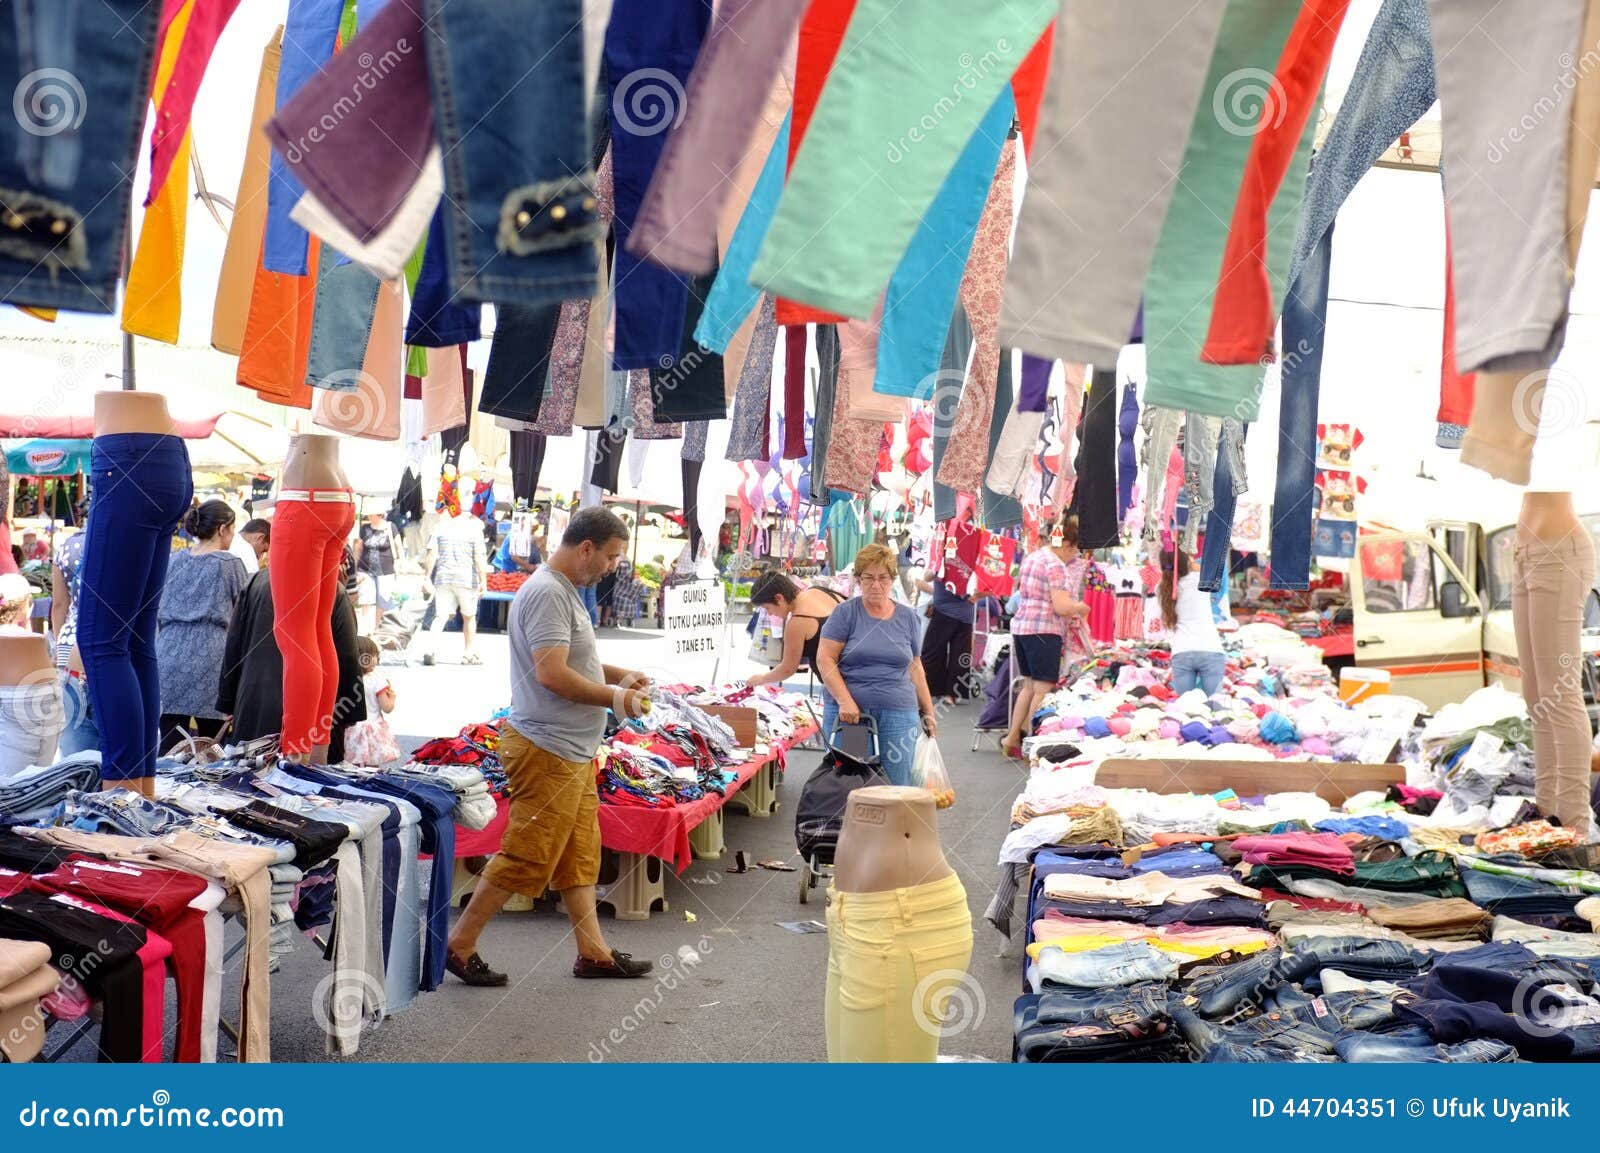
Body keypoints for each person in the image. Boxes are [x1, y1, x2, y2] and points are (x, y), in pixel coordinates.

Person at [446, 507, 655, 987]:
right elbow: (552, 674)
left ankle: (594, 952)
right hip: (548, 748)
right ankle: (459, 944)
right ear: (586, 548)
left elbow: (573, 661)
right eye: (611, 556)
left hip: (569, 750)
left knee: (579, 853)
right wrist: (619, 698)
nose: (612, 567)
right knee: (528, 851)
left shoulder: (562, 590)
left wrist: (619, 676)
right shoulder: (547, 593)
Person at [218, 559, 366, 763]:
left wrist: (228, 699)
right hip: (313, 708)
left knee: (250, 779)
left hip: (254, 700)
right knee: (307, 785)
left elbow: (233, 643)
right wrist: (351, 709)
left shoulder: (256, 582)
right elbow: (347, 654)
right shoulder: (331, 587)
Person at [814, 543, 937, 787]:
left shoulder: (907, 617)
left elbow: (915, 667)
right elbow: (824, 659)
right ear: (858, 580)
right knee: (852, 783)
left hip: (898, 711)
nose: (876, 585)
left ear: (892, 579)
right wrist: (845, 701)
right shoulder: (844, 613)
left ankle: (896, 827)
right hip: (852, 716)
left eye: (882, 578)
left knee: (897, 784)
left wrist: (929, 712)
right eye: (868, 577)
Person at [157, 500, 247, 750]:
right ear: (222, 529)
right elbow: (243, 615)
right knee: (213, 746)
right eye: (232, 528)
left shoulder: (174, 560)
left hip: (168, 652)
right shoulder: (229, 564)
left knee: (170, 745)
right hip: (210, 657)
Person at [1003, 515, 1090, 759]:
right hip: (1044, 630)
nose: (1075, 555)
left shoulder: (1034, 557)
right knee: (1042, 689)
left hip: (1022, 628)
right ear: (1068, 544)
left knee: (1028, 686)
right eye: (1075, 549)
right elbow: (1061, 606)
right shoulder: (1056, 565)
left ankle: (1012, 737)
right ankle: (1032, 741)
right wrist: (1080, 607)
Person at [746, 571, 845, 689]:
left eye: (767, 608)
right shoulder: (819, 591)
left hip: (839, 687)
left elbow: (788, 669)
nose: (769, 613)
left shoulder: (797, 622)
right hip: (863, 676)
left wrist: (762, 679)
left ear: (779, 598)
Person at [422, 503, 489, 665]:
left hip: (443, 577)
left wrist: (426, 577)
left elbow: (431, 555)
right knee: (469, 616)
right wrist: (483, 581)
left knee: (441, 616)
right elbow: (480, 558)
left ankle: (430, 650)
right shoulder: (474, 530)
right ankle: (468, 653)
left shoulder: (441, 528)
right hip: (467, 579)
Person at [1160, 549, 1226, 696]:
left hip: (1181, 650)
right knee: (1216, 705)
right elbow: (1215, 569)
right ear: (1186, 562)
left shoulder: (1163, 588)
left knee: (1185, 709)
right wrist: (1192, 564)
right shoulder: (1201, 579)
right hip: (1210, 647)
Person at [342, 636, 399, 766]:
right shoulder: (377, 681)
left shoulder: (347, 679)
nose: (377, 659)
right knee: (373, 765)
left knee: (352, 765)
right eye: (374, 655)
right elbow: (387, 707)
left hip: (352, 729)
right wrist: (393, 698)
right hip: (372, 729)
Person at [353, 510, 398, 633]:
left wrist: (401, 563)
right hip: (365, 569)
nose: (369, 516)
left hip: (386, 569)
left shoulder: (390, 527)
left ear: (379, 514)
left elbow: (398, 545)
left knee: (383, 600)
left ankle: (377, 629)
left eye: (371, 513)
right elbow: (358, 548)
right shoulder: (364, 528)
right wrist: (355, 568)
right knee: (366, 600)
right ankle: (366, 631)